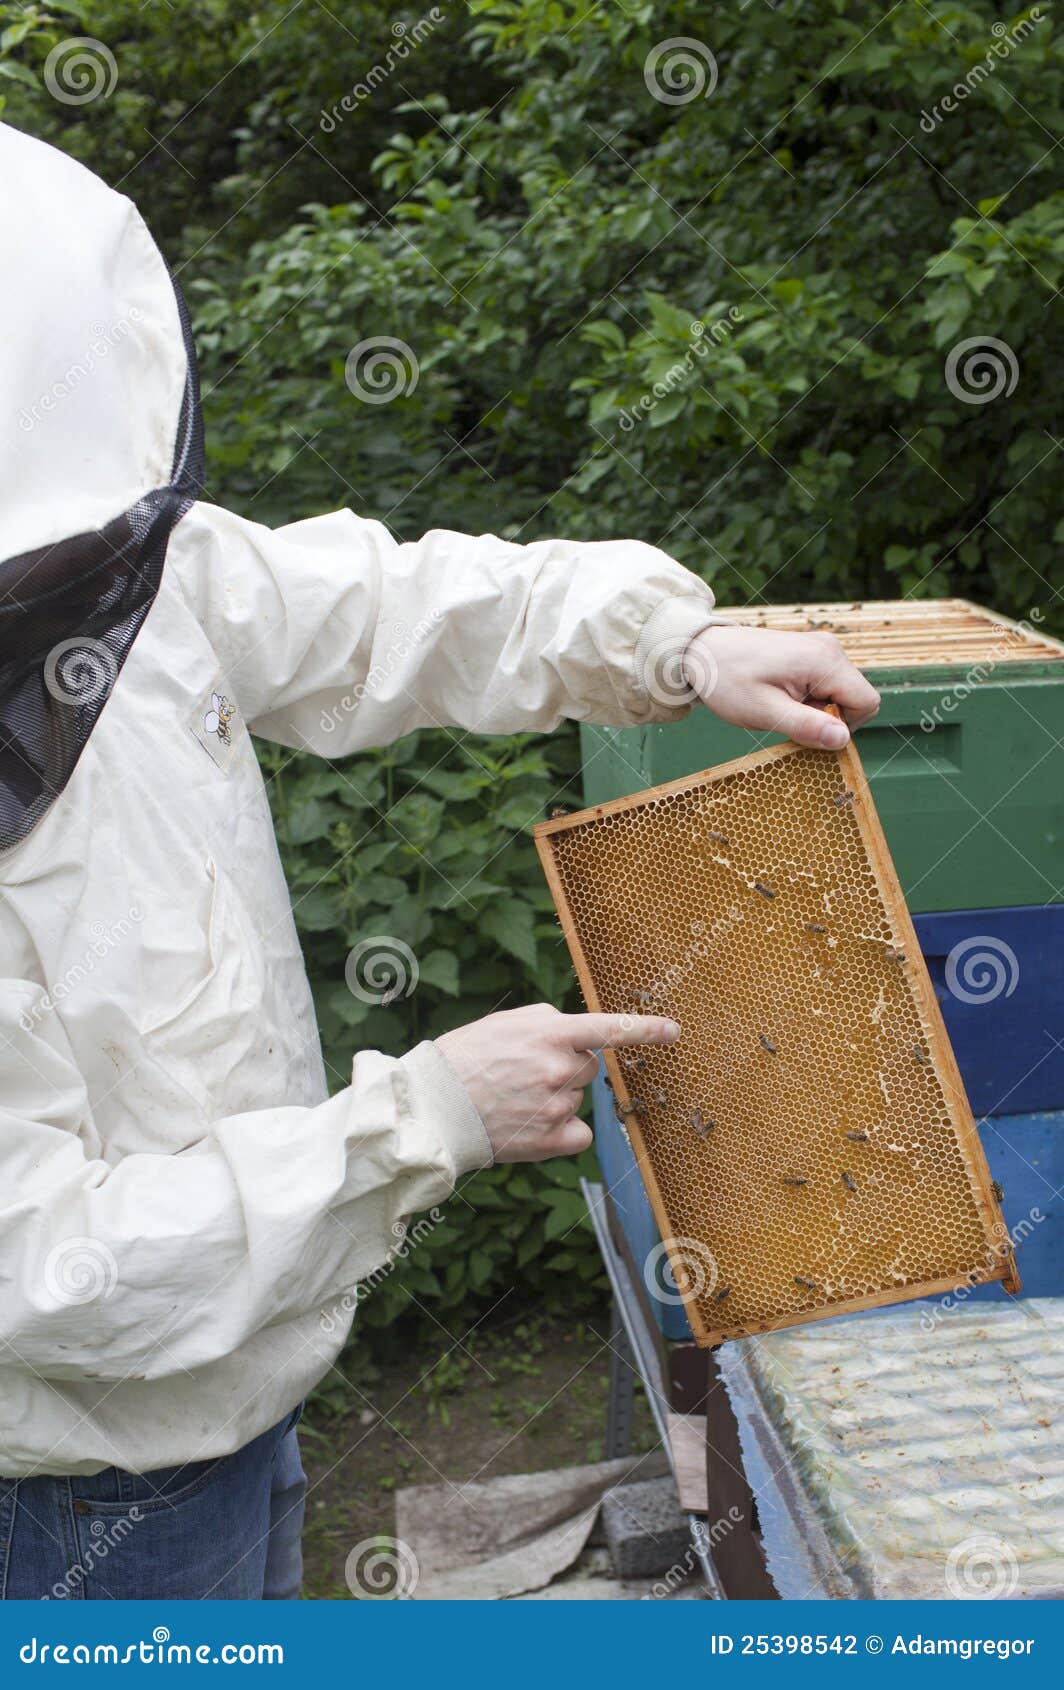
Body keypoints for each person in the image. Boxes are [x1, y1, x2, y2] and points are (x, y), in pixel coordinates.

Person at [0, 121, 880, 1600]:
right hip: (59, 1501)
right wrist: (419, 1117)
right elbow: (42, 1273)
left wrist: (677, 641)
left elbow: (389, 607)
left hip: (234, 1409)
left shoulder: (113, 572)